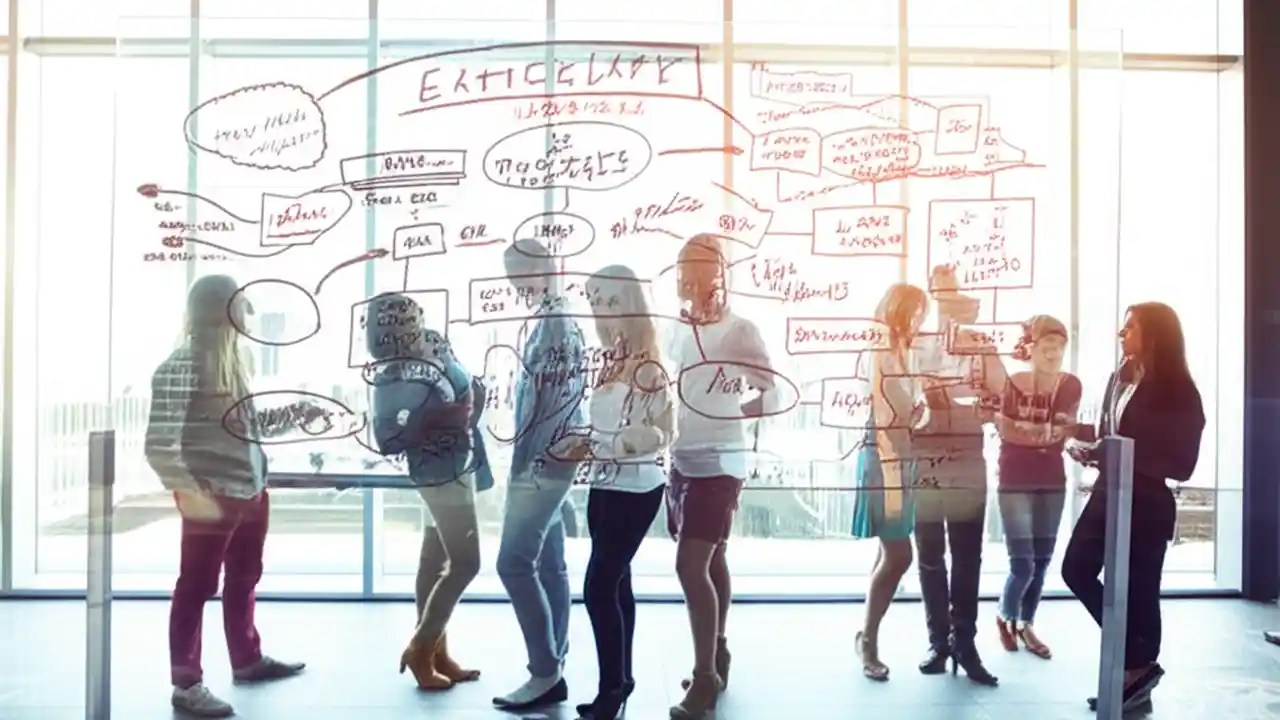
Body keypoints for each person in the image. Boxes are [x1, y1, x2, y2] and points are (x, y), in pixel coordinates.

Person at [144, 274, 303, 718]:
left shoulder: (235, 363)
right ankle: (186, 685)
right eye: (240, 314)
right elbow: (159, 444)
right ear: (221, 314)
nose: (245, 324)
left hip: (250, 490)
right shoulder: (181, 366)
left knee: (244, 577)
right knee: (195, 587)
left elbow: (249, 426)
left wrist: (298, 414)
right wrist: (191, 494)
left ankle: (247, 660)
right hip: (211, 498)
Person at [1062, 302, 1204, 711]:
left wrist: (1112, 454)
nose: (1121, 335)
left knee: (1141, 591)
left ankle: (1135, 671)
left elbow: (1182, 464)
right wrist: (1083, 442)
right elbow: (1114, 434)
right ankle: (1138, 662)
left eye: (1130, 328)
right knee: (1075, 569)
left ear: (1155, 335)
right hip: (1108, 494)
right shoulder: (1118, 379)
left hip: (1147, 504)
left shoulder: (1179, 392)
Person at [665, 234, 778, 719]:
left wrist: (728, 415)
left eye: (698, 267)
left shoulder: (741, 331)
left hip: (723, 460)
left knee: (690, 566)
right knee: (712, 561)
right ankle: (719, 649)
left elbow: (771, 395)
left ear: (719, 273)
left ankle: (705, 678)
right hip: (681, 457)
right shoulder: (673, 328)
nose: (688, 278)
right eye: (682, 268)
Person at [556, 266, 673, 720]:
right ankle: (620, 682)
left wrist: (605, 444)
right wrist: (585, 443)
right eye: (596, 303)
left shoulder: (648, 366)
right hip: (604, 483)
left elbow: (660, 435)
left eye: (608, 301)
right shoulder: (612, 359)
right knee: (617, 584)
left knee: (599, 587)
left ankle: (611, 693)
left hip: (636, 486)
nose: (601, 312)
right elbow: (609, 425)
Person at [363, 293, 494, 690]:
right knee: (466, 562)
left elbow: (460, 386)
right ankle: (421, 648)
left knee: (435, 560)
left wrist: (469, 402)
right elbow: (388, 435)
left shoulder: (434, 341)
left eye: (409, 313)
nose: (408, 322)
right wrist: (446, 415)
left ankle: (436, 652)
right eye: (398, 319)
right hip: (436, 469)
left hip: (458, 459)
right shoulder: (392, 372)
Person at [493, 239, 588, 711]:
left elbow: (549, 406)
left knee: (513, 564)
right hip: (554, 459)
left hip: (542, 463)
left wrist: (529, 465)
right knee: (550, 563)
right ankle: (555, 658)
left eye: (517, 276)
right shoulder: (560, 320)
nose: (514, 287)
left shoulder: (553, 326)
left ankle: (545, 671)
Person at [910, 268, 1002, 686]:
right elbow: (906, 397)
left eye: (957, 303)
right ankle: (939, 641)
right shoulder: (917, 344)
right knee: (930, 554)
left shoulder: (980, 345)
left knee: (967, 554)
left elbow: (999, 395)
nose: (950, 312)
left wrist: (987, 359)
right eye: (943, 303)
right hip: (925, 456)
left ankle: (965, 642)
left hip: (966, 455)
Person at [852, 282, 928, 682]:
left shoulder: (904, 350)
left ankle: (868, 637)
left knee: (890, 552)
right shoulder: (881, 346)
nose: (920, 319)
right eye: (917, 311)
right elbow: (886, 406)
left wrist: (917, 411)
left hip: (901, 453)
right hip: (886, 456)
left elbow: (910, 407)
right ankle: (868, 641)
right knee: (899, 554)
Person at [994, 315, 1081, 660]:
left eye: (1059, 347)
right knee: (1023, 562)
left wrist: (1025, 429)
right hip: (1014, 478)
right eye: (1047, 346)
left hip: (1051, 478)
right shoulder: (1012, 382)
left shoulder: (1070, 384)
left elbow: (1059, 430)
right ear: (1032, 347)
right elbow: (1006, 431)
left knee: (1043, 560)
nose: (1053, 353)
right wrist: (1035, 433)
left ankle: (1026, 623)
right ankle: (1005, 615)